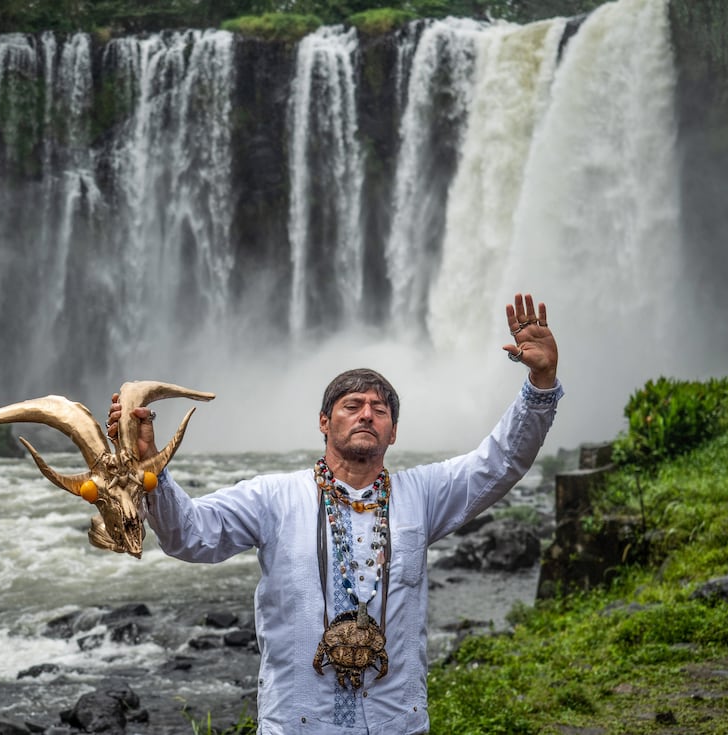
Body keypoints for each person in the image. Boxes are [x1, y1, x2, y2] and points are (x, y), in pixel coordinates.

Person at [106, 293, 562, 734]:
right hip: (299, 724)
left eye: (379, 410)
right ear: (324, 422)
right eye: (352, 406)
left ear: (393, 432)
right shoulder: (274, 497)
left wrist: (539, 384)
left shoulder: (423, 494)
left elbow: (500, 462)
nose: (366, 415)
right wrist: (151, 470)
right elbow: (190, 534)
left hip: (395, 722)